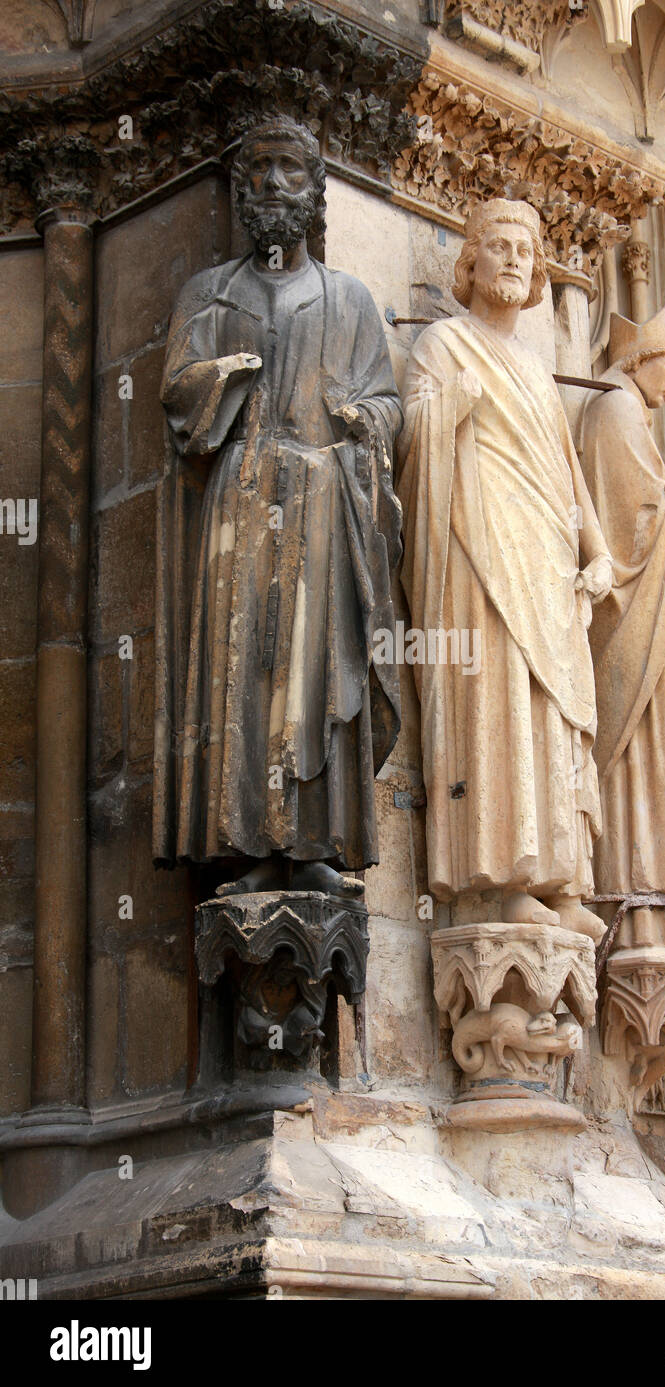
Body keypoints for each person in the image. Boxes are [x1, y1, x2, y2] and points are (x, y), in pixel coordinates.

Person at [155, 116, 402, 895]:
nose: (270, 186)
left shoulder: (349, 299)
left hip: (327, 506)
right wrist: (221, 376)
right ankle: (250, 841)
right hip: (242, 507)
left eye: (289, 172)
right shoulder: (211, 292)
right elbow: (177, 399)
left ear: (316, 193)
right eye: (256, 172)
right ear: (239, 192)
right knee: (247, 674)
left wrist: (365, 423)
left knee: (316, 670)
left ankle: (319, 843)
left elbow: (387, 402)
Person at [398, 198, 612, 934]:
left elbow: (566, 468)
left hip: (548, 563)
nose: (515, 258)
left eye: (526, 247)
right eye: (499, 246)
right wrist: (451, 405)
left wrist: (597, 551)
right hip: (479, 556)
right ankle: (503, 878)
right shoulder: (444, 346)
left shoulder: (535, 366)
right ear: (470, 265)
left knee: (550, 713)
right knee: (498, 705)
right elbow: (414, 443)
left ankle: (565, 881)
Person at [579, 309, 665, 951]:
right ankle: (639, 908)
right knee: (646, 751)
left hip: (652, 626)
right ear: (640, 359)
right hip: (635, 625)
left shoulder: (628, 412)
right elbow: (644, 527)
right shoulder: (615, 411)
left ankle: (660, 910)